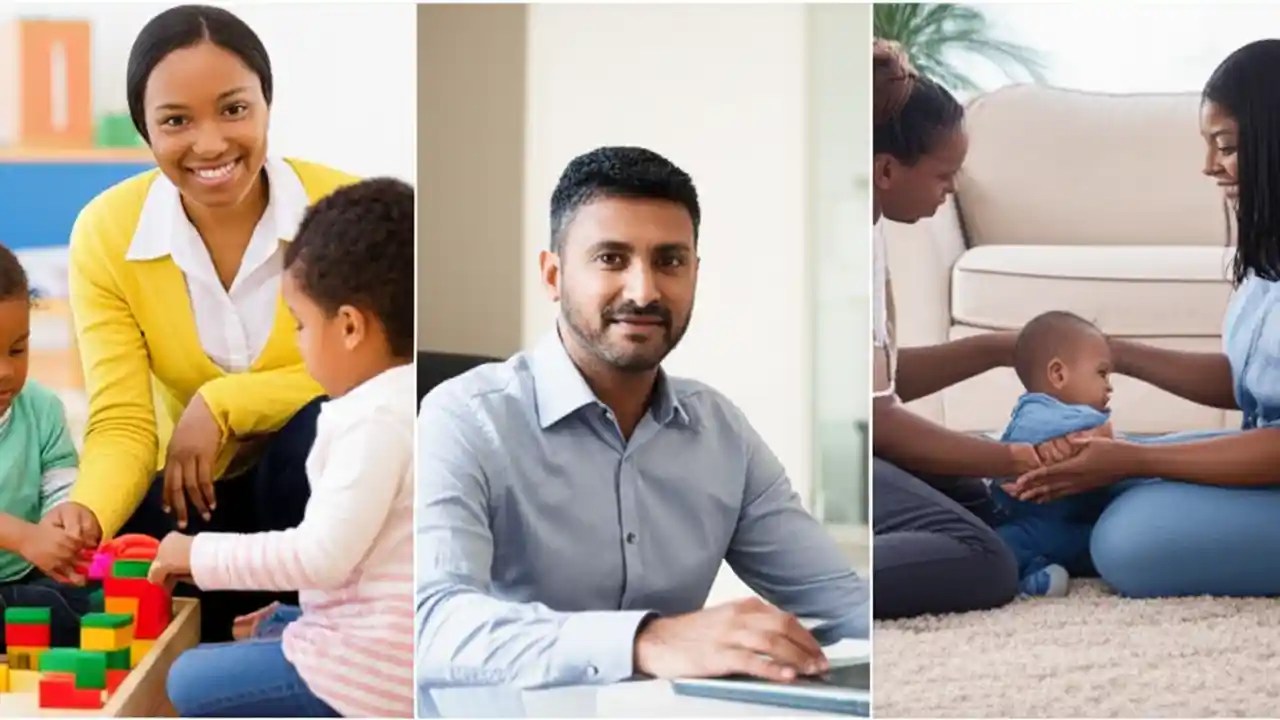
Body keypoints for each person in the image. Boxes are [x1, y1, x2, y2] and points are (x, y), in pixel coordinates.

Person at [416, 146, 869, 694]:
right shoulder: (465, 417)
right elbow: (429, 624)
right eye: (610, 259)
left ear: (696, 273)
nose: (645, 291)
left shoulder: (722, 432)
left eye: (669, 261)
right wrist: (645, 641)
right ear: (553, 274)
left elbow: (841, 602)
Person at [58, 4, 359, 641]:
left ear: (266, 105)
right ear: (146, 131)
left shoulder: (349, 213)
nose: (211, 142)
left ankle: (313, 637)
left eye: (233, 109)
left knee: (321, 427)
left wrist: (225, 401)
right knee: (109, 580)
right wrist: (86, 509)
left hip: (322, 495)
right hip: (191, 492)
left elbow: (387, 373)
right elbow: (122, 419)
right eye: (176, 121)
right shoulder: (106, 232)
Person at [1008, 39, 1280, 598]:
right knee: (1099, 478)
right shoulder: (1267, 258)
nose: (1208, 167)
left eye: (1225, 146)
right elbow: (1249, 383)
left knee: (1128, 542)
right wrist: (1115, 352)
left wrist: (1138, 455)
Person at [147, 178, 416, 717]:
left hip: (375, 673)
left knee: (185, 680)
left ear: (349, 327)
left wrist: (195, 554)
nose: (296, 340)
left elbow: (319, 555)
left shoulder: (375, 421)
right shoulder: (403, 396)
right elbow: (359, 566)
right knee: (269, 625)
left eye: (298, 324)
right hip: (379, 625)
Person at [870, 38, 1036, 620]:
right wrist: (1019, 456)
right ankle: (794, 579)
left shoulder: (868, 234)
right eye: (945, 174)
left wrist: (1002, 348)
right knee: (982, 559)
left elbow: (879, 389)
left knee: (991, 506)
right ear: (886, 170)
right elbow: (877, 427)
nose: (953, 189)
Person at [0, 244, 94, 648]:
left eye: (17, 350)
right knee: (50, 613)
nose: (6, 371)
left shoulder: (40, 407)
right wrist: (23, 537)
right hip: (23, 564)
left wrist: (65, 520)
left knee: (84, 604)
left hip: (25, 574)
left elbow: (59, 475)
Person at [989, 311, 1116, 598]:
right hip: (1036, 521)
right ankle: (1028, 572)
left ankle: (1040, 570)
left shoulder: (1077, 416)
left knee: (1099, 541)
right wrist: (1099, 433)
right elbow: (1088, 430)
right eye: (1101, 373)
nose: (1109, 385)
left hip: (1076, 520)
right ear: (1058, 374)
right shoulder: (1036, 411)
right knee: (1005, 546)